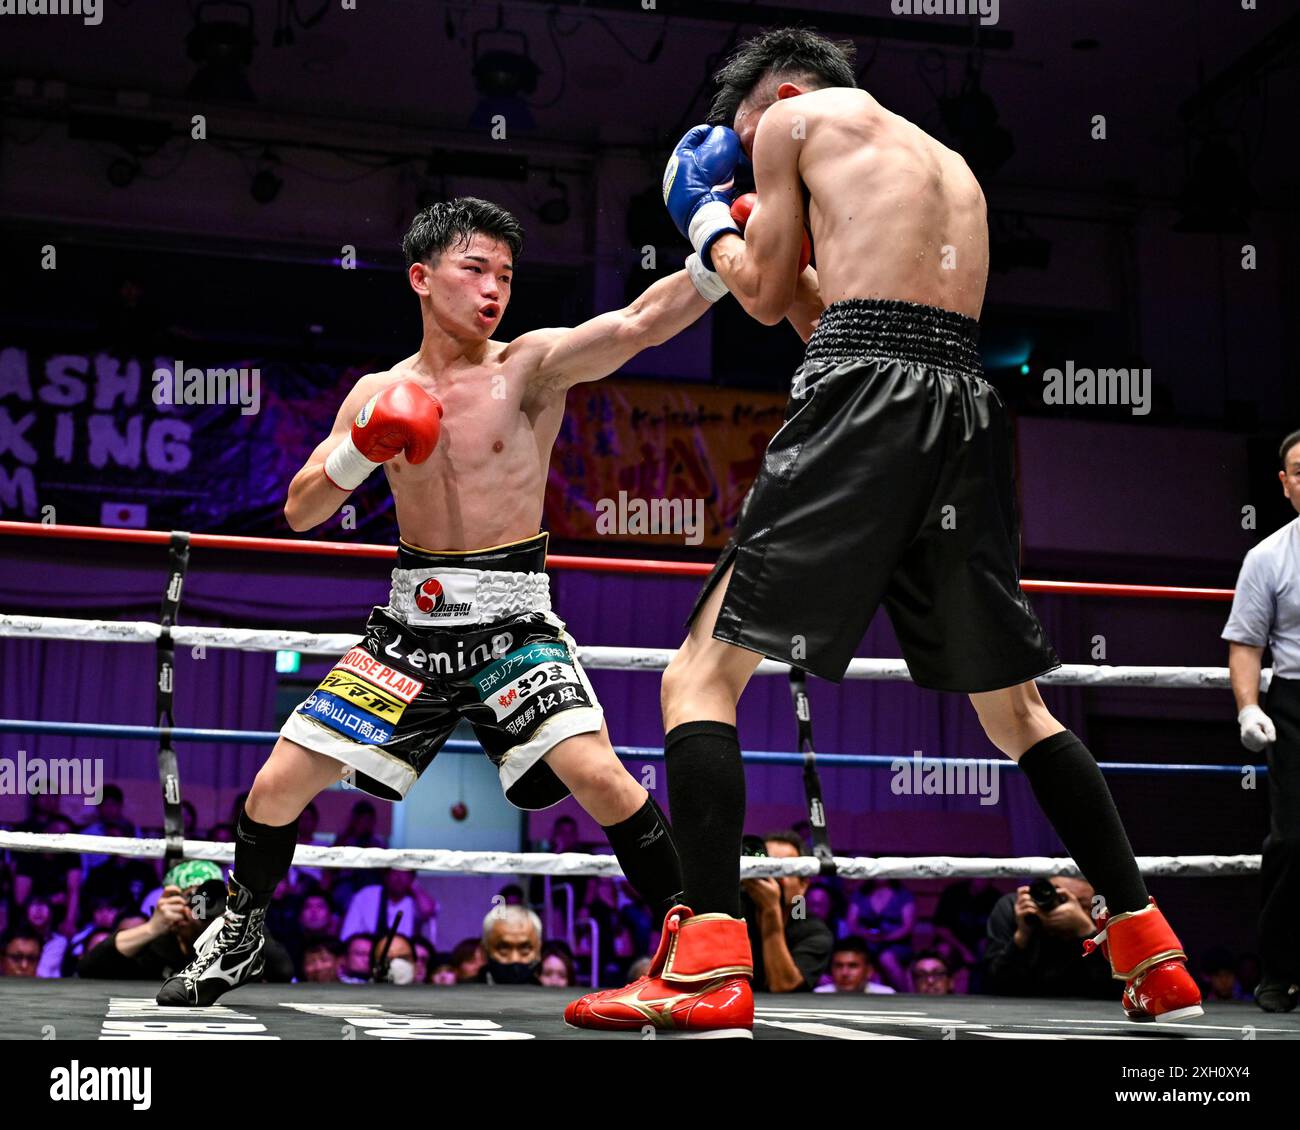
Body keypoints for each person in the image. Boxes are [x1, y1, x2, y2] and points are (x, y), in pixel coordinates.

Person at [567, 27, 1200, 1036]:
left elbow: (769, 295)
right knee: (1016, 712)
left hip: (862, 403)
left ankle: (705, 964)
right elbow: (839, 317)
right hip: (965, 408)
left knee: (697, 676)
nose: (747, 153)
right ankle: (1147, 943)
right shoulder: (946, 165)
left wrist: (702, 222)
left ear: (775, 95)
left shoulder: (790, 120)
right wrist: (752, 241)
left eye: (744, 136)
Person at [158, 195, 746, 1005]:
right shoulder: (378, 388)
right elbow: (300, 511)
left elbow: (637, 324)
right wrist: (362, 450)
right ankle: (242, 932)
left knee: (601, 777)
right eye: (475, 269)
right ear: (421, 277)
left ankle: (701, 946)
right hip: (410, 625)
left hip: (512, 619)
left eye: (506, 274)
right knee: (273, 787)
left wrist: (718, 265)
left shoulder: (531, 365)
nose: (493, 288)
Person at [1222, 427, 1300, 1012]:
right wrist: (1248, 707)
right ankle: (1277, 970)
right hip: (1295, 702)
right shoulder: (1267, 556)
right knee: (1293, 838)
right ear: (1284, 483)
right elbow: (1246, 642)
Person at [983, 877, 1113, 1000]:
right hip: (1020, 1006)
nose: (1068, 908)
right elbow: (995, 985)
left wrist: (1087, 931)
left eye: (1080, 904)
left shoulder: (1104, 916)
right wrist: (1023, 934)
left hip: (1087, 1007)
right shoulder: (1016, 907)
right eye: (1060, 898)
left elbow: (1112, 990)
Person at [740, 832, 832, 992]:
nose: (775, 876)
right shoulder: (733, 917)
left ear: (803, 884)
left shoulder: (814, 932)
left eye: (785, 869)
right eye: (769, 867)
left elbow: (783, 986)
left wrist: (770, 910)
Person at [812, 938, 895, 995]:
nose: (844, 973)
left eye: (853, 966)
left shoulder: (886, 995)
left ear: (869, 971)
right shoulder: (820, 995)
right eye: (838, 966)